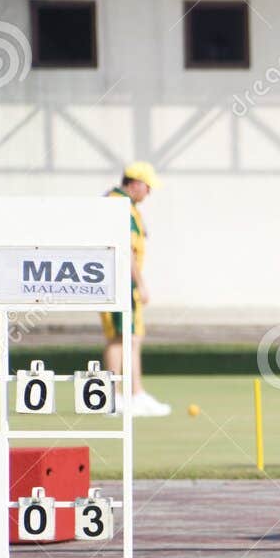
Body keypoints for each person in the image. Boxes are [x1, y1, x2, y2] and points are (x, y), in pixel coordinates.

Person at [100, 162, 170, 417]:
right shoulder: (119, 206)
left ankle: (133, 393)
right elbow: (124, 248)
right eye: (148, 187)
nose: (149, 193)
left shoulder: (124, 205)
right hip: (119, 282)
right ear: (136, 184)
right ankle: (115, 396)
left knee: (132, 337)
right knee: (121, 338)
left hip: (121, 281)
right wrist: (140, 283)